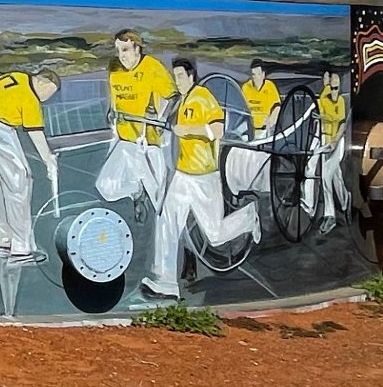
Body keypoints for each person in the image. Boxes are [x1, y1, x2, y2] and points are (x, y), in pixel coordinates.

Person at [143, 59, 261, 300]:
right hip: (183, 175)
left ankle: (248, 217)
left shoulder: (203, 97)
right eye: (175, 77)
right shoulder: (182, 100)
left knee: (215, 234)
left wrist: (189, 130)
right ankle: (165, 282)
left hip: (204, 177)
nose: (177, 81)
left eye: (180, 76)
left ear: (191, 76)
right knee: (167, 222)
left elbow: (217, 131)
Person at [0, 69, 62, 264]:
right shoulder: (29, 97)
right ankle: (21, 249)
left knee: (2, 181)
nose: (46, 99)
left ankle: (6, 240)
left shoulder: (19, 77)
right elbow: (36, 134)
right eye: (48, 93)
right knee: (20, 178)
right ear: (42, 83)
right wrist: (49, 161)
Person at [97, 29, 173, 220]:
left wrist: (162, 119)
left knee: (160, 201)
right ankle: (136, 191)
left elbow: (174, 97)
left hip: (148, 142)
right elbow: (115, 97)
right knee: (106, 186)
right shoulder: (114, 68)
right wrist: (110, 111)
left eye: (125, 50)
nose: (121, 56)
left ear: (137, 49)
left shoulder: (152, 67)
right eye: (118, 51)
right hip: (124, 138)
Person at [311, 72, 350, 233]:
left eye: (337, 88)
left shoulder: (340, 101)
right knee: (336, 175)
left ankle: (330, 216)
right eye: (332, 87)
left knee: (326, 174)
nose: (334, 91)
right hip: (326, 140)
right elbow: (319, 118)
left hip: (336, 141)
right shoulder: (323, 98)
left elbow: (341, 124)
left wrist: (334, 141)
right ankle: (345, 200)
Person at [240, 60, 281, 142]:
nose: (256, 78)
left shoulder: (269, 86)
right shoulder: (246, 87)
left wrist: (271, 121)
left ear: (263, 74)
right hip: (248, 128)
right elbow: (240, 106)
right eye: (253, 75)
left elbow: (277, 106)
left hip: (264, 129)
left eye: (258, 74)